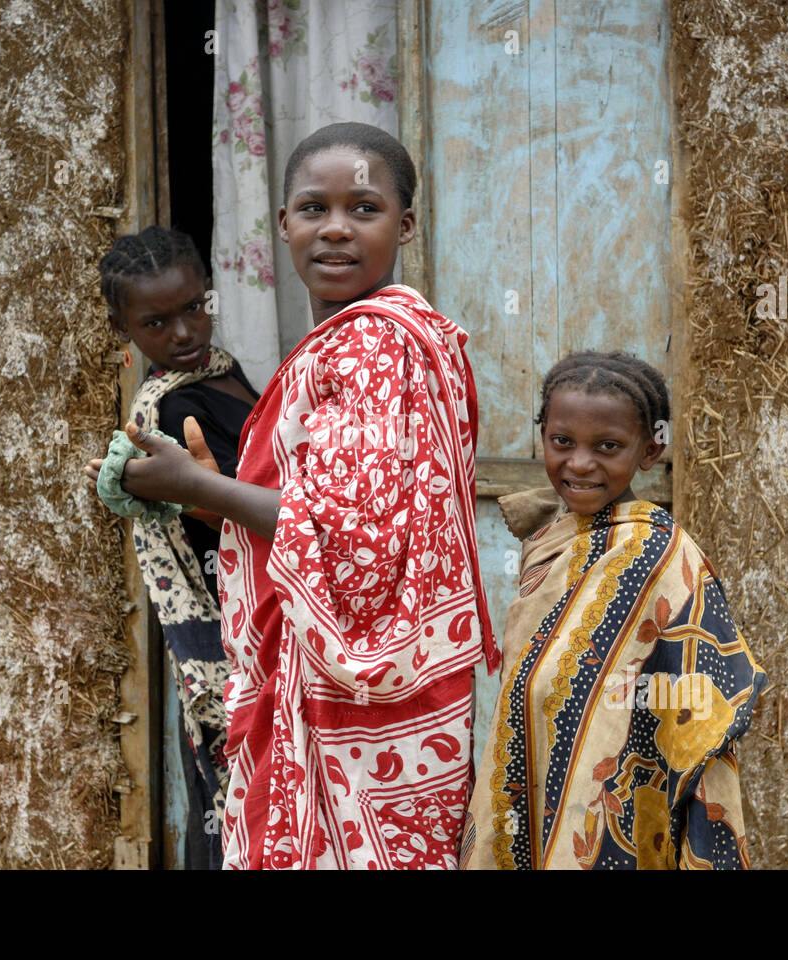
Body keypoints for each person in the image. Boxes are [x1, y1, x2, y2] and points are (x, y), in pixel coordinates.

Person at [113, 122, 499, 869]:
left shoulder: (372, 347)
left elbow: (349, 540)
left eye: (364, 208)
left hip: (360, 701)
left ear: (406, 224)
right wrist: (211, 498)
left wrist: (200, 486)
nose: (336, 230)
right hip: (411, 696)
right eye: (313, 208)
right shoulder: (393, 336)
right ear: (283, 223)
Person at [461, 351, 767, 869]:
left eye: (607, 446)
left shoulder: (658, 555)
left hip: (622, 792)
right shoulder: (554, 541)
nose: (580, 463)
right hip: (532, 767)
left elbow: (699, 689)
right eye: (563, 442)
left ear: (649, 451)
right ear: (543, 438)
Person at [84, 225, 259, 869]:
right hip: (233, 637)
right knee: (239, 813)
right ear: (121, 327)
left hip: (262, 616)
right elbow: (224, 516)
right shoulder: (170, 411)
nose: (184, 333)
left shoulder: (223, 373)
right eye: (157, 322)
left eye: (194, 308)